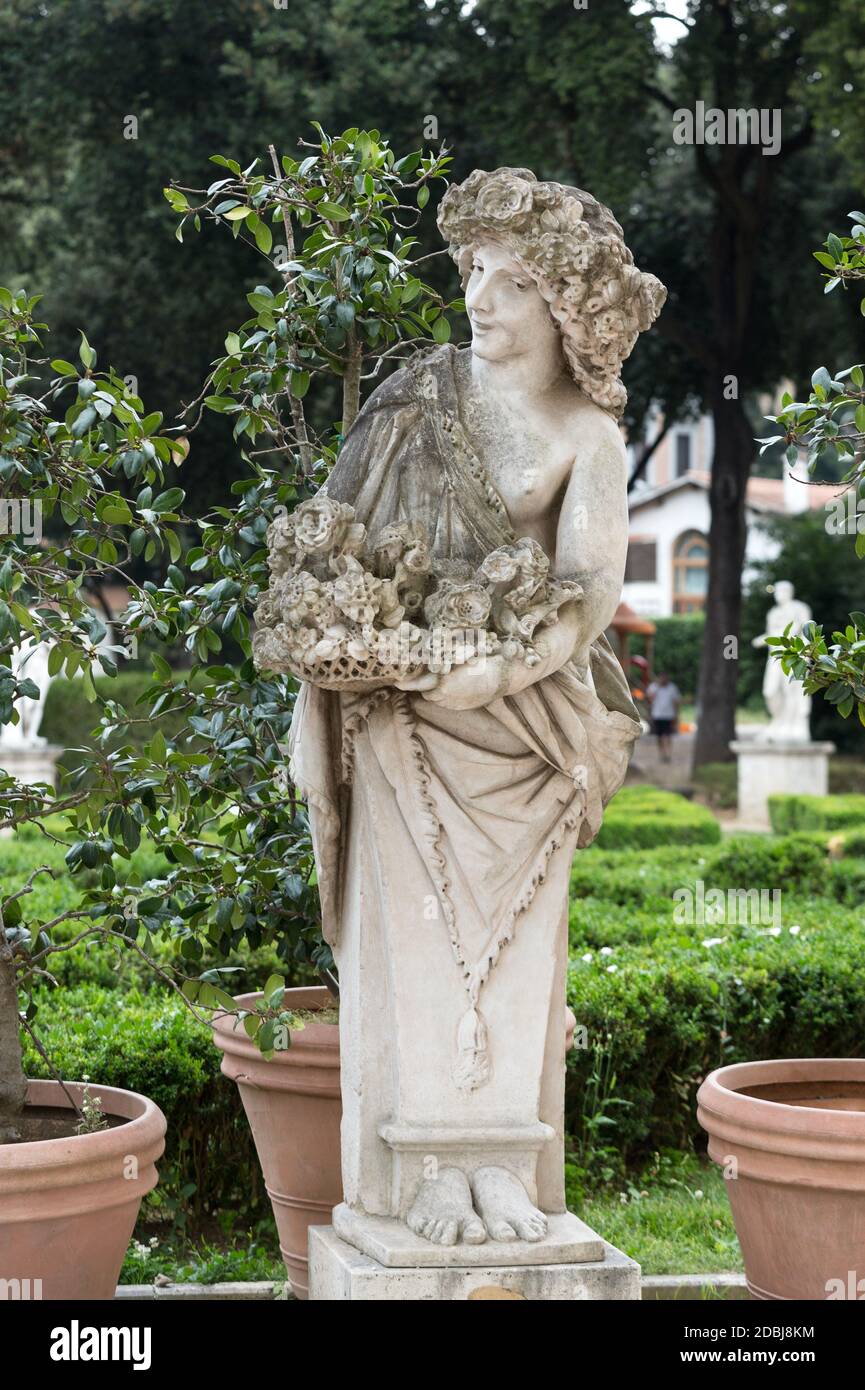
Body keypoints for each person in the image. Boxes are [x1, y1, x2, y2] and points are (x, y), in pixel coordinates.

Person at [284, 167, 666, 1250]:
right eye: (473, 274)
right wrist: (363, 640)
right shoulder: (416, 397)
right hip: (405, 721)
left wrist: (505, 663)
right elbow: (335, 541)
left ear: (566, 306)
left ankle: (503, 1168)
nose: (478, 298)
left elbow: (590, 587)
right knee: (414, 950)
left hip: (526, 733)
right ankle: (426, 1176)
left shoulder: (587, 433)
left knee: (513, 964)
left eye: (509, 282)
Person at [646, 671, 681, 761]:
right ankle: (662, 754)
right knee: (659, 736)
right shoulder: (653, 687)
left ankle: (668, 753)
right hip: (657, 715)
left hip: (669, 715)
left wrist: (676, 715)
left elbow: (676, 702)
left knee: (668, 735)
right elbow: (650, 699)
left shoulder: (672, 688)